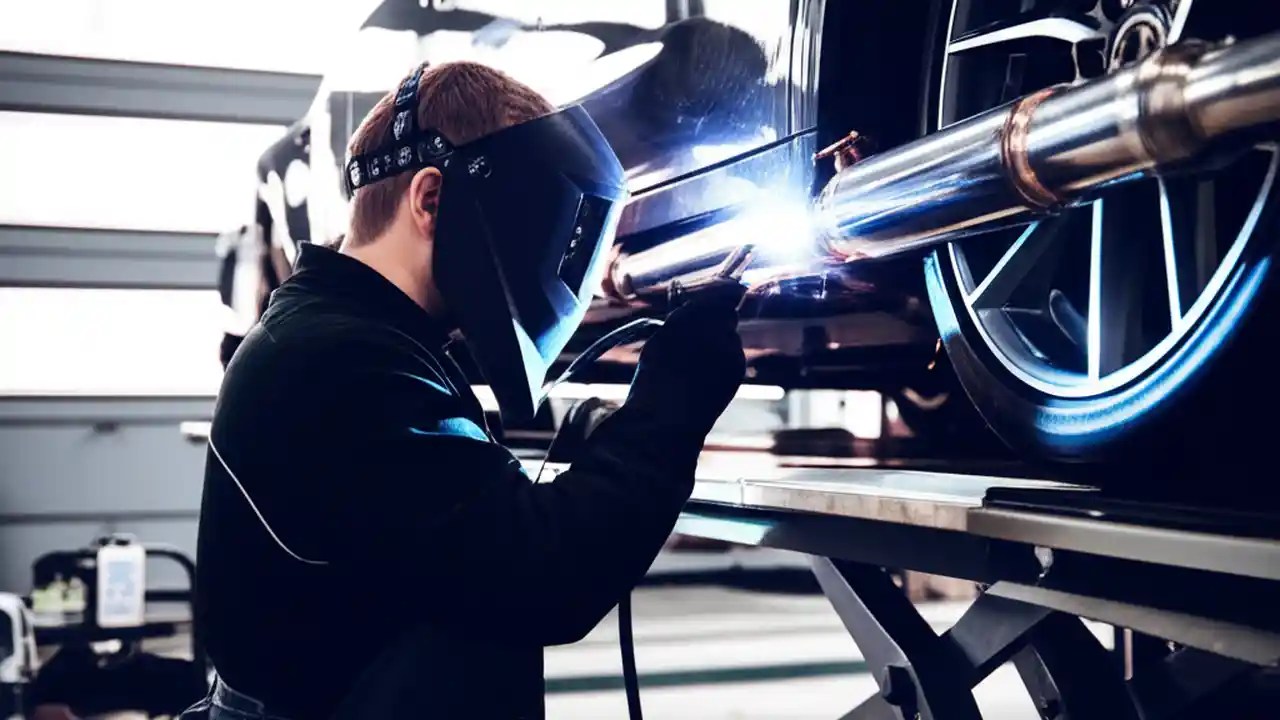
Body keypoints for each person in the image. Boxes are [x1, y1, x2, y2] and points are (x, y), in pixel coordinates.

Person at [185, 60, 745, 719]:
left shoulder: (355, 336)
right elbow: (542, 574)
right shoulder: (339, 363)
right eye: (529, 220)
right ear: (430, 201)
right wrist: (673, 397)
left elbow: (468, 524)